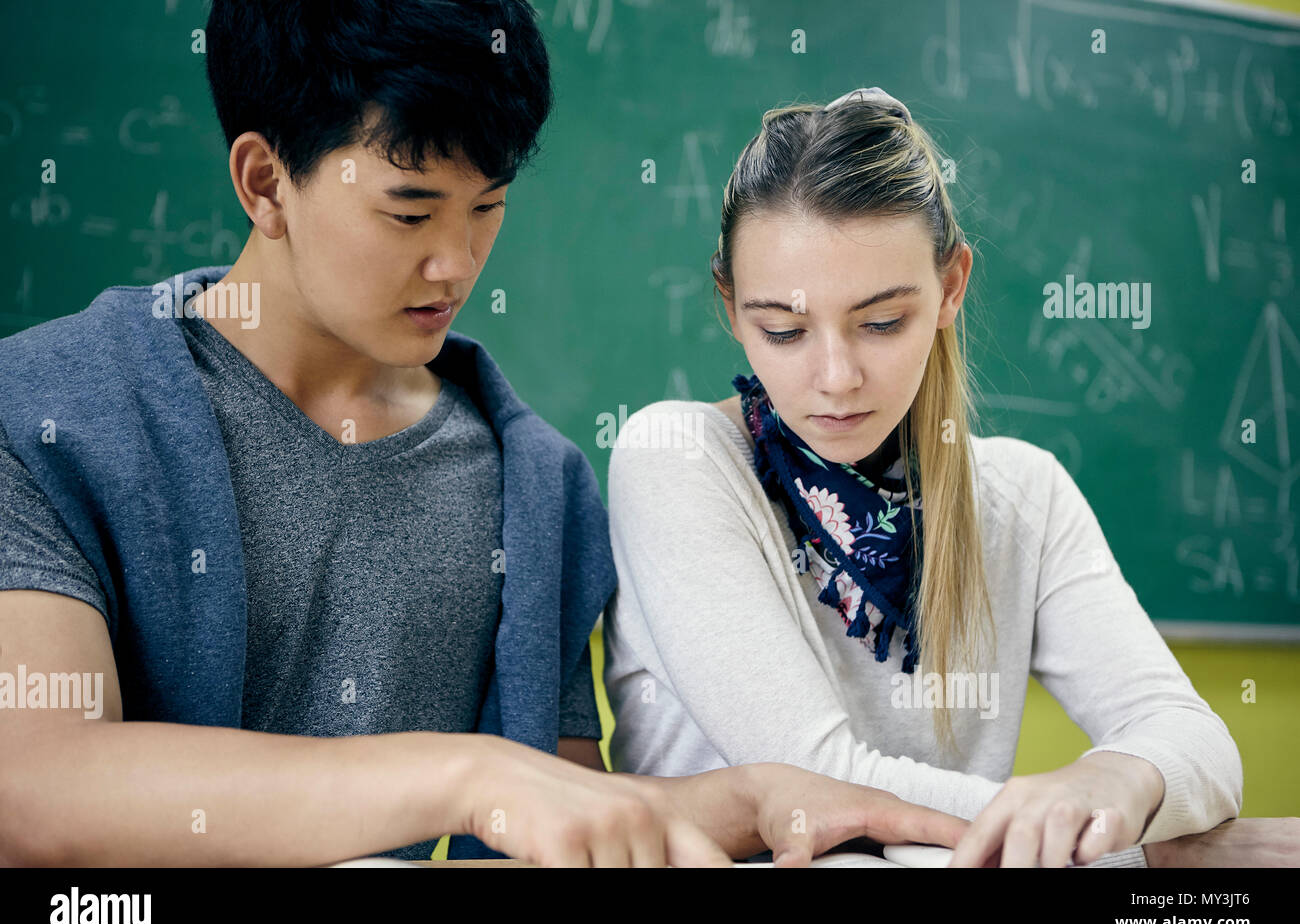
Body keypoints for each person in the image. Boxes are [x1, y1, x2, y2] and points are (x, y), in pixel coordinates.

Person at [0, 8, 968, 868]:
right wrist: (465, 776)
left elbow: (562, 813)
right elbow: (36, 786)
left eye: (488, 207)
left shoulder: (534, 480)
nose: (454, 261)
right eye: (409, 209)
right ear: (265, 182)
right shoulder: (47, 413)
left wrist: (750, 801)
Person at [602, 87, 1249, 868]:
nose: (836, 377)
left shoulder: (1025, 493)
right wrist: (1155, 852)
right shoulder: (674, 455)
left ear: (950, 288)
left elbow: (1194, 740)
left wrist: (1118, 780)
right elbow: (819, 786)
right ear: (732, 309)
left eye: (881, 322)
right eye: (784, 329)